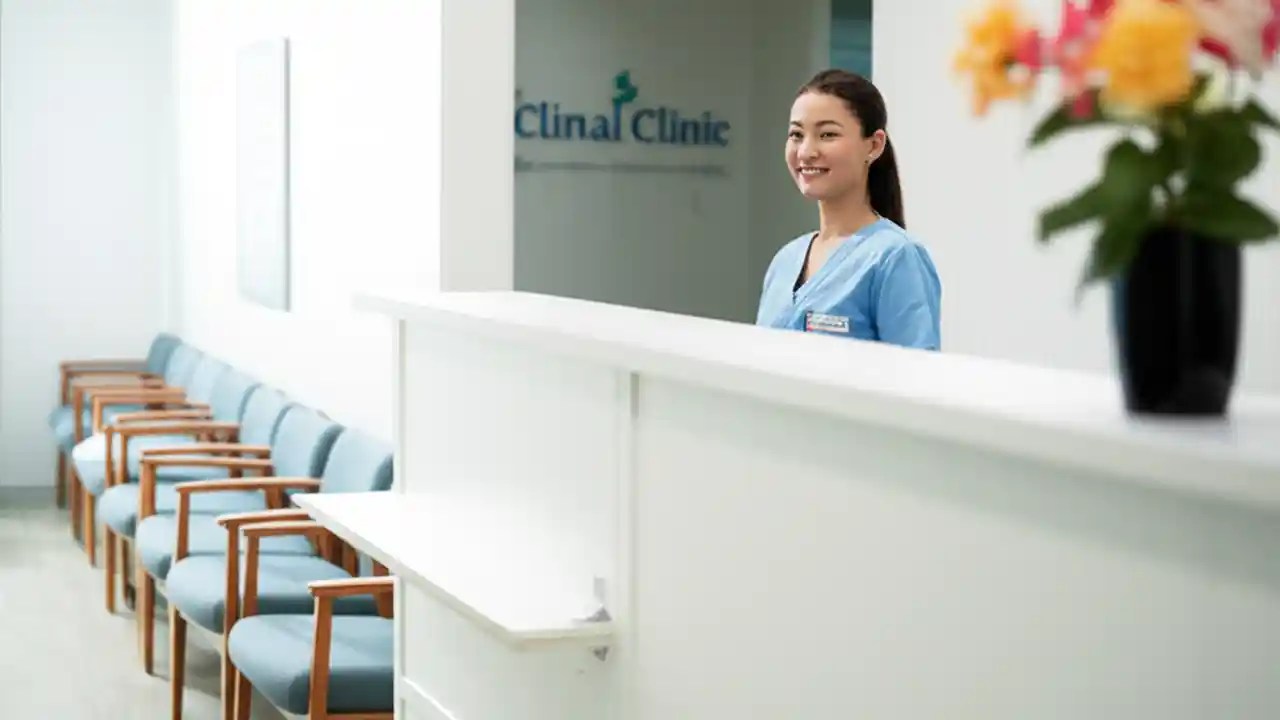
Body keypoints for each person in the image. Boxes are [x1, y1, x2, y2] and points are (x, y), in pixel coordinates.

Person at [756, 69, 942, 351]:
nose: (806, 151)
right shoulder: (784, 261)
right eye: (796, 134)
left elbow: (916, 373)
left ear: (874, 146)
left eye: (827, 134)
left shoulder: (895, 257)